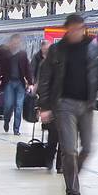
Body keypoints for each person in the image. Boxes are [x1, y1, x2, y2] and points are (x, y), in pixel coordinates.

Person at [37, 14, 98, 195]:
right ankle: (72, 192)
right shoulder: (57, 50)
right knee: (68, 149)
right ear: (67, 29)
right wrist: (44, 106)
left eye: (80, 28)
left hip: (87, 105)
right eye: (73, 28)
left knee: (88, 148)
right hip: (64, 104)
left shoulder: (93, 48)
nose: (77, 32)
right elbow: (45, 78)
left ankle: (71, 173)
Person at [31, 39, 60, 174]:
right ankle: (50, 159)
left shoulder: (64, 65)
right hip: (51, 105)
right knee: (54, 135)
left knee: (63, 137)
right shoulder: (44, 65)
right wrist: (43, 107)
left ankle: (59, 163)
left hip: (63, 106)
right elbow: (43, 86)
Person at [0, 34, 32, 134]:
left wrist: (30, 82)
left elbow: (27, 68)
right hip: (9, 82)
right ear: (11, 42)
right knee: (8, 105)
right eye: (14, 41)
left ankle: (16, 129)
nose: (16, 43)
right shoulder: (5, 54)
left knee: (19, 106)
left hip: (20, 83)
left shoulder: (22, 54)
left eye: (18, 41)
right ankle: (6, 121)